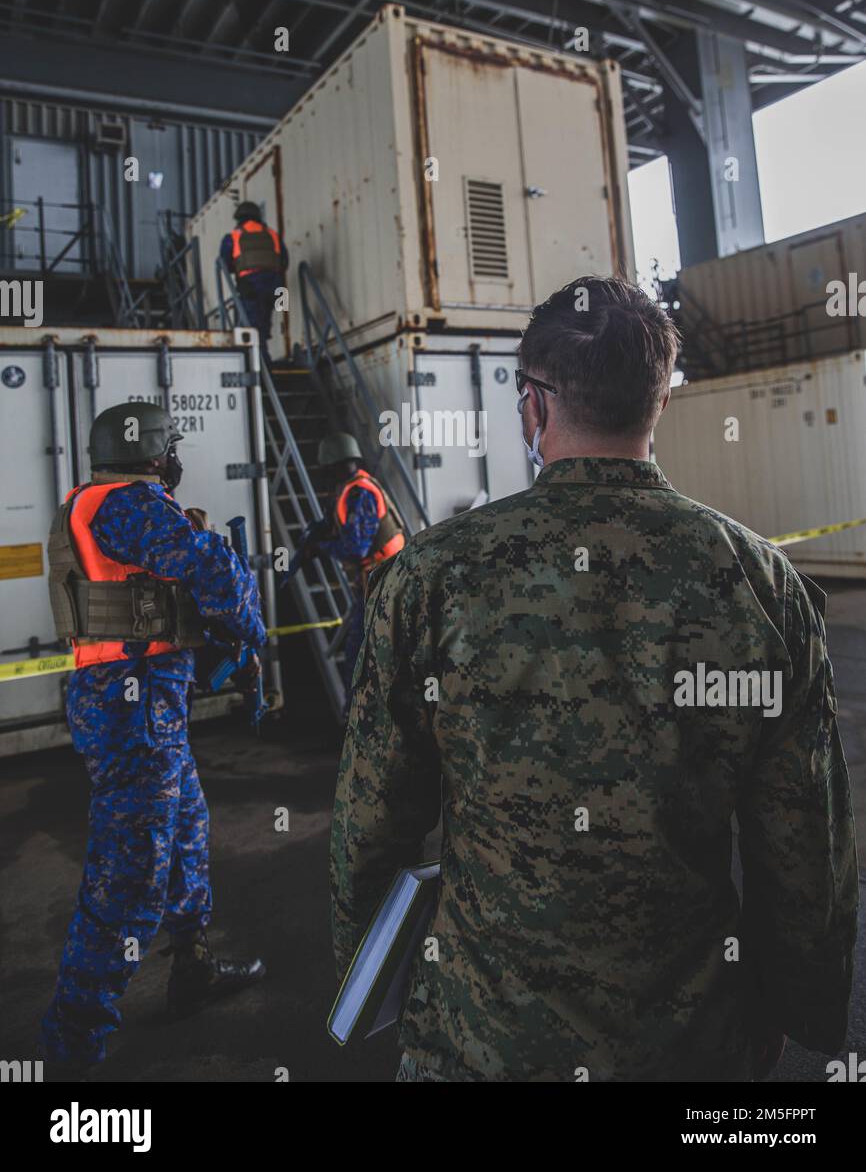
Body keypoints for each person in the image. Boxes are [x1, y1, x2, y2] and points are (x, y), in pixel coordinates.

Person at [330, 276, 858, 1083]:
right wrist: (790, 1008)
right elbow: (804, 846)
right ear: (658, 405)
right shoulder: (762, 582)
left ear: (534, 409)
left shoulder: (433, 577)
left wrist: (376, 988)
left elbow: (370, 828)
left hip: (479, 1044)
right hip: (690, 1046)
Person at [41, 402, 267, 1076]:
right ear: (155, 454)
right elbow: (209, 567)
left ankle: (191, 969)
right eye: (171, 449)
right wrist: (250, 632)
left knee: (187, 837)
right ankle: (71, 1049)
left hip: (146, 709)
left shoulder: (105, 503)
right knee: (129, 876)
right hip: (131, 711)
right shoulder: (130, 502)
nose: (174, 459)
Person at [304, 433, 405, 715]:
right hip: (382, 580)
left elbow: (356, 547)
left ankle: (359, 719)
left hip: (383, 583)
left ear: (334, 464)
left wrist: (320, 548)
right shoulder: (355, 487)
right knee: (372, 651)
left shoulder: (359, 492)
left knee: (360, 652)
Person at [219, 201, 288, 364]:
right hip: (277, 288)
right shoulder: (272, 234)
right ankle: (265, 350)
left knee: (251, 330)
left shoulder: (233, 236)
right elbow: (285, 261)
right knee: (263, 326)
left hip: (250, 287)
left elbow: (224, 263)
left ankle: (265, 372)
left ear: (239, 219)